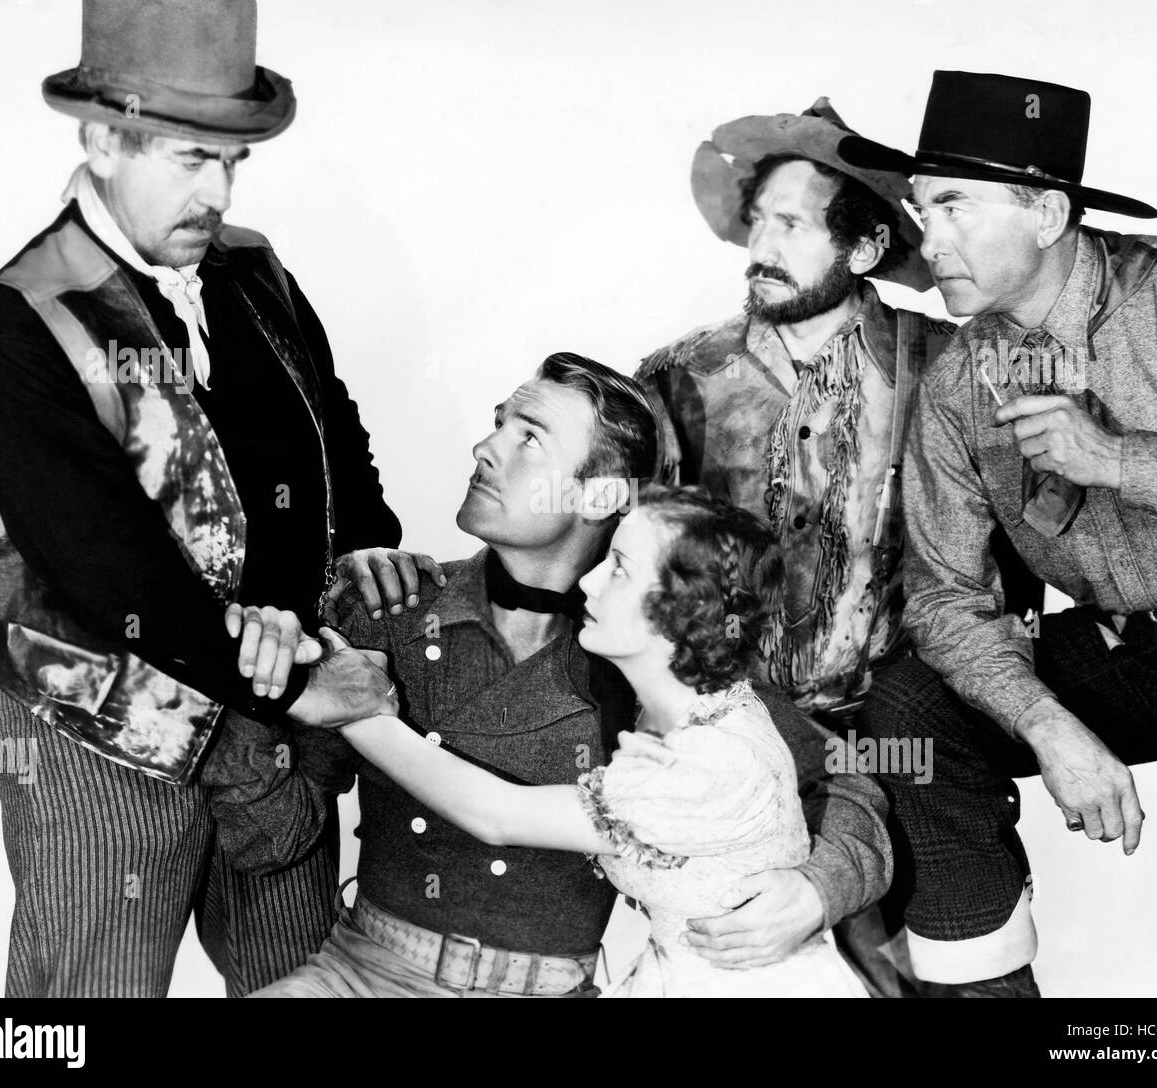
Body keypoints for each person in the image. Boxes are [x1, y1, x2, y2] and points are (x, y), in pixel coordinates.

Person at [0, 0, 399, 997]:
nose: (217, 189)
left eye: (232, 160)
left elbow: (328, 416)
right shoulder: (20, 321)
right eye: (190, 158)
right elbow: (106, 568)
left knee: (307, 982)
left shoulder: (249, 266)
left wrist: (364, 540)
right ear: (103, 137)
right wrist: (281, 681)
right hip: (99, 739)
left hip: (279, 729)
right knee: (82, 1013)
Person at [245, 352, 893, 997]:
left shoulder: (648, 654)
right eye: (499, 424)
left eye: (529, 437)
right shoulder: (393, 608)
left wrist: (818, 888)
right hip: (362, 973)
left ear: (600, 493)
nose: (485, 448)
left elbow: (842, 783)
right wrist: (265, 678)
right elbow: (278, 838)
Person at [840, 69, 1157, 996]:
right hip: (1124, 652)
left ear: (1049, 213)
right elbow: (942, 595)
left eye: (951, 207)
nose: (923, 237)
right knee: (908, 714)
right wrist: (1046, 722)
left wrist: (1117, 460)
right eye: (917, 208)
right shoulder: (956, 383)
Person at [633, 97, 1036, 996]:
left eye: (792, 225)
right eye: (758, 222)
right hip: (751, 750)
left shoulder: (947, 367)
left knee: (971, 974)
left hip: (919, 737)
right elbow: (621, 559)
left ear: (862, 250)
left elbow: (1022, 547)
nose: (760, 248)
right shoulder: (681, 380)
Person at [335, 485, 869, 997]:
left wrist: (354, 711)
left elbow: (498, 814)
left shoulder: (711, 761)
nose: (588, 583)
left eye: (619, 570)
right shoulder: (699, 706)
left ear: (686, 614)